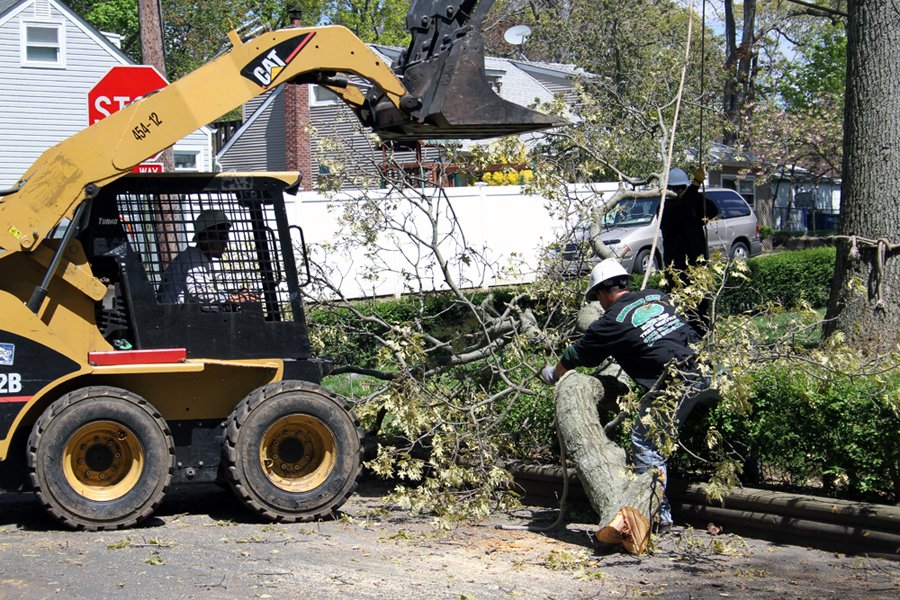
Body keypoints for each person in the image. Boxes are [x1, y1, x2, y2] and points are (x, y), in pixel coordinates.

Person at [539, 258, 711, 531]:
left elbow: (576, 355)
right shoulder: (658, 295)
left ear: (603, 293)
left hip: (675, 385)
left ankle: (658, 516)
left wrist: (553, 374)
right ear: (627, 283)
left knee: (645, 442)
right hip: (712, 368)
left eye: (598, 296)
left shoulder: (609, 322)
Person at [157, 209, 258, 304]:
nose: (225, 244)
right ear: (205, 238)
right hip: (177, 319)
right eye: (221, 238)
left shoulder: (194, 257)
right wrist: (230, 298)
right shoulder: (194, 259)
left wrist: (231, 293)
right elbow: (198, 291)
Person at [660, 167, 718, 271]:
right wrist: (694, 187)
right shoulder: (664, 208)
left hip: (697, 259)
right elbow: (679, 210)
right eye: (676, 188)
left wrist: (694, 194)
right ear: (669, 188)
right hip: (676, 264)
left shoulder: (692, 201)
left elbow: (713, 210)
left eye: (683, 187)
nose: (680, 191)